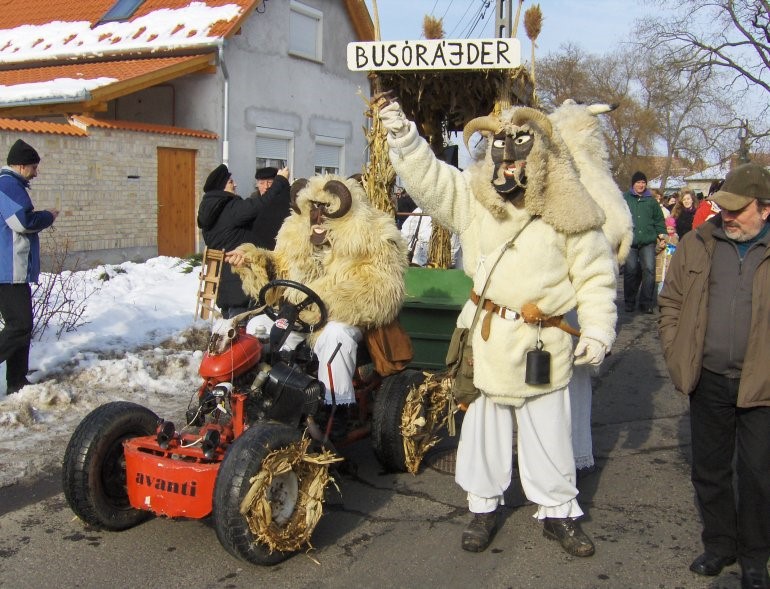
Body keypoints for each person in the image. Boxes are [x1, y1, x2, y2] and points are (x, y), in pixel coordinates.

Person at [379, 98, 617, 558]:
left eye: (516, 159)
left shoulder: (569, 208)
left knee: (549, 431)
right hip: (488, 338)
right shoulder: (477, 201)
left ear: (539, 158)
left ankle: (558, 512)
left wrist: (597, 329)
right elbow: (431, 180)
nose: (506, 168)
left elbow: (596, 275)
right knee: (484, 431)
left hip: (542, 342)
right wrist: (405, 138)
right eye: (499, 158)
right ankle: (483, 508)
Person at [658, 162, 770, 589]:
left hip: (762, 384)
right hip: (707, 378)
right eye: (723, 207)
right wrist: (676, 352)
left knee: (759, 473)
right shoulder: (697, 243)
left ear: (764, 209)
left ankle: (756, 557)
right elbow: (671, 302)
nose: (726, 216)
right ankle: (720, 545)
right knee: (709, 469)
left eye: (738, 210)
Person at [0, 139, 58, 395]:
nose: (36, 172)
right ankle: (15, 380)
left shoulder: (10, 185)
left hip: (11, 269)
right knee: (19, 325)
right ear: (22, 166)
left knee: (22, 326)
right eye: (34, 167)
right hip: (7, 270)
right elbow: (23, 222)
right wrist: (48, 215)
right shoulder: (8, 185)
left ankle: (16, 381)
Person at [197, 164, 284, 319]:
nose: (235, 184)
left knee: (231, 326)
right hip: (240, 286)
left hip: (225, 285)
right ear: (221, 187)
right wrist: (280, 181)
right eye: (230, 182)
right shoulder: (230, 208)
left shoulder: (212, 210)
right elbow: (260, 205)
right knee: (241, 333)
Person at [622, 171, 666, 313]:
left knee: (649, 270)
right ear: (633, 184)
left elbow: (659, 219)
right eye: (638, 182)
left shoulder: (651, 201)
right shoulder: (625, 198)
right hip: (631, 241)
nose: (641, 185)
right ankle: (629, 301)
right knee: (631, 270)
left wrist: (661, 234)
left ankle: (646, 302)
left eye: (643, 182)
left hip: (648, 241)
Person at [249, 166, 291, 250]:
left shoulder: (285, 204)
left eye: (270, 182)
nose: (266, 186)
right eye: (262, 183)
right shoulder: (252, 202)